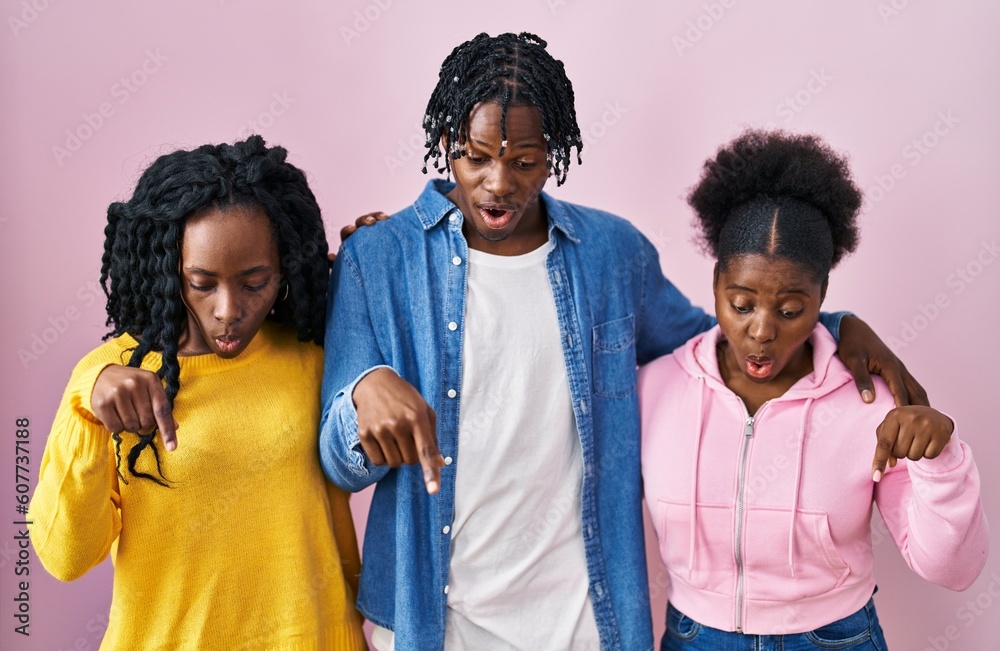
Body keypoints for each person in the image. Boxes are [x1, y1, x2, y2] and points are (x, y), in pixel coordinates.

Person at [319, 32, 927, 651]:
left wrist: (835, 324)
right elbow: (336, 465)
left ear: (554, 153)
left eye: (523, 162)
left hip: (585, 619)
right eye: (475, 158)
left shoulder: (612, 253)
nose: (498, 184)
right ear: (446, 145)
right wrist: (366, 392)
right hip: (430, 619)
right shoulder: (377, 258)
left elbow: (718, 350)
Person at [639, 129, 989, 650]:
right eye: (740, 304)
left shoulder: (869, 400)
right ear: (715, 284)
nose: (761, 331)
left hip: (834, 638)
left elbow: (952, 569)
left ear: (822, 295)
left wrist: (941, 460)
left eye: (789, 310)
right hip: (694, 637)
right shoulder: (654, 387)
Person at [28, 136, 368, 650]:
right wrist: (88, 419)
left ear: (287, 270)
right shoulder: (108, 381)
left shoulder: (314, 354)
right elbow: (65, 558)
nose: (228, 310)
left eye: (255, 282)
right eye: (202, 283)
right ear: (170, 273)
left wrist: (382, 267)